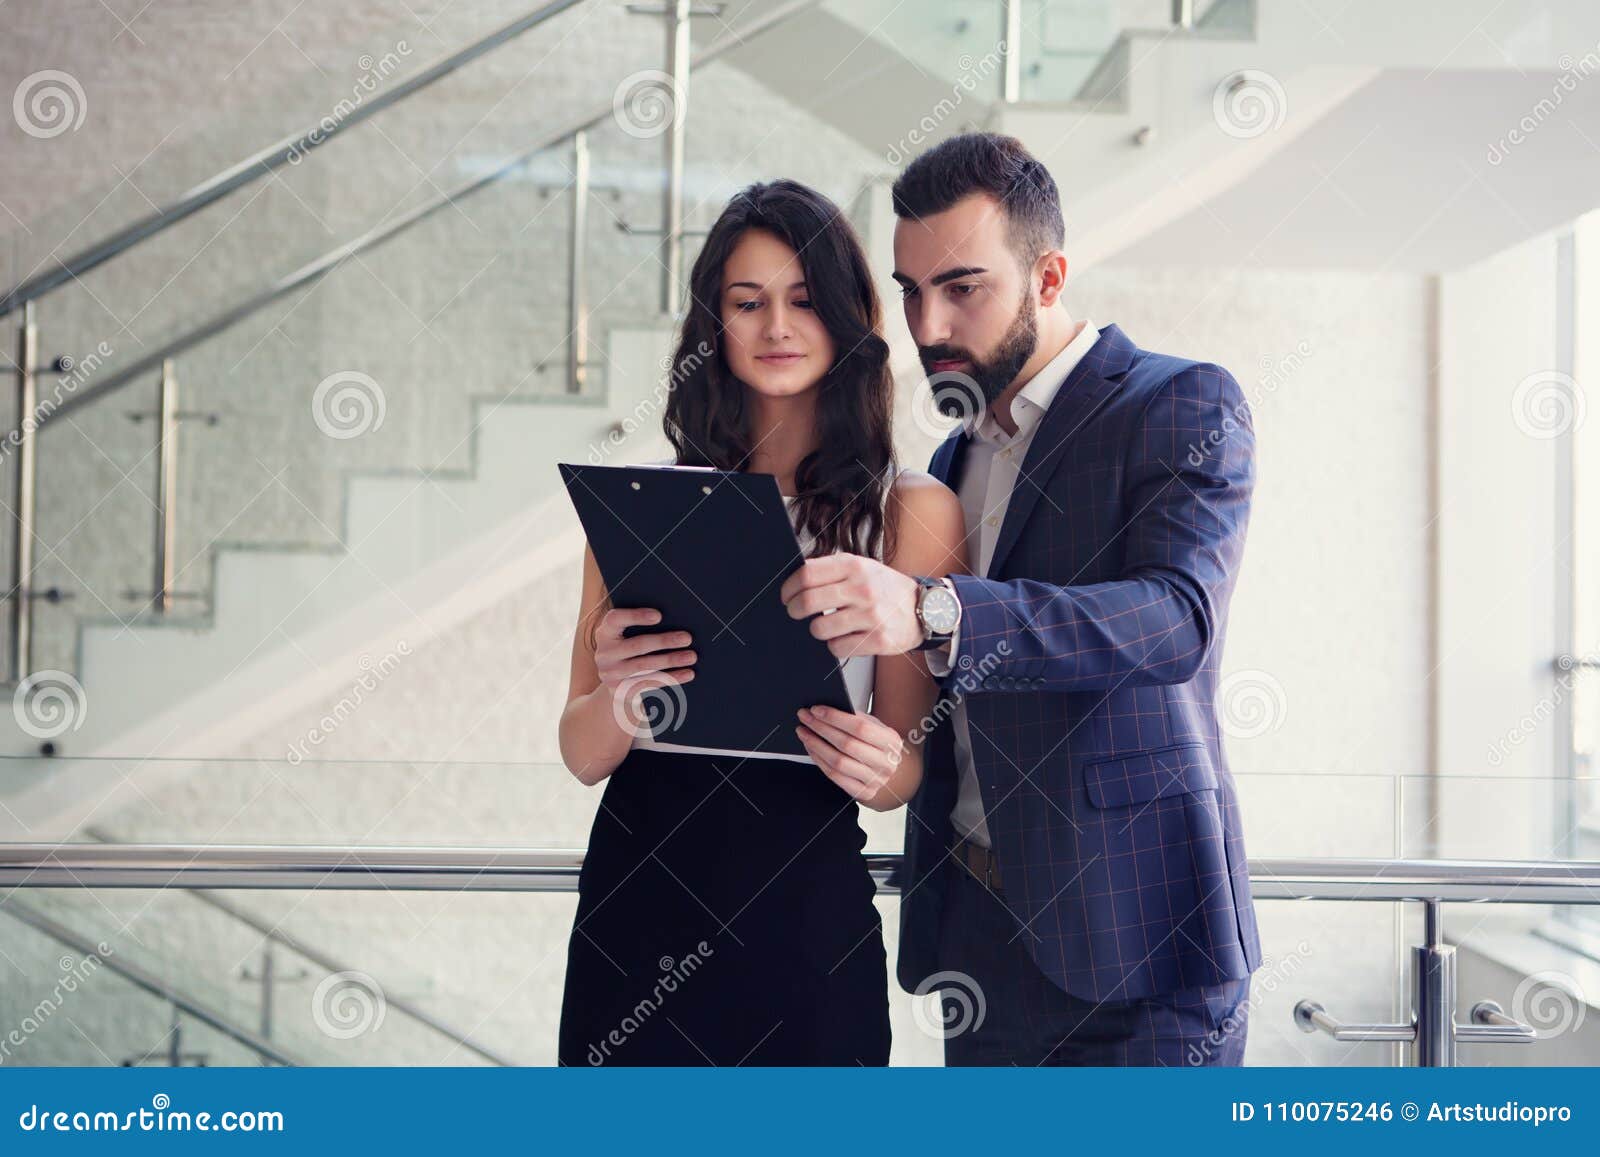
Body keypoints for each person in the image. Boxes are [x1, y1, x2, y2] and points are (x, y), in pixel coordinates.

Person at [778, 132, 1262, 1066]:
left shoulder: (1182, 402)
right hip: (982, 943)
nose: (928, 326)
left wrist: (931, 611)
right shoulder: (956, 462)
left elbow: (1176, 619)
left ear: (1048, 277)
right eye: (911, 290)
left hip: (1142, 951)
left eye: (963, 287)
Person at [556, 179, 967, 1066]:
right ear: (716, 326)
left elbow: (905, 770)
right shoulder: (642, 509)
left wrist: (883, 762)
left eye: (804, 301)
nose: (777, 326)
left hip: (804, 916)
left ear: (848, 319)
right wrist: (623, 695)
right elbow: (582, 752)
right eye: (748, 303)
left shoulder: (912, 514)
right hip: (635, 912)